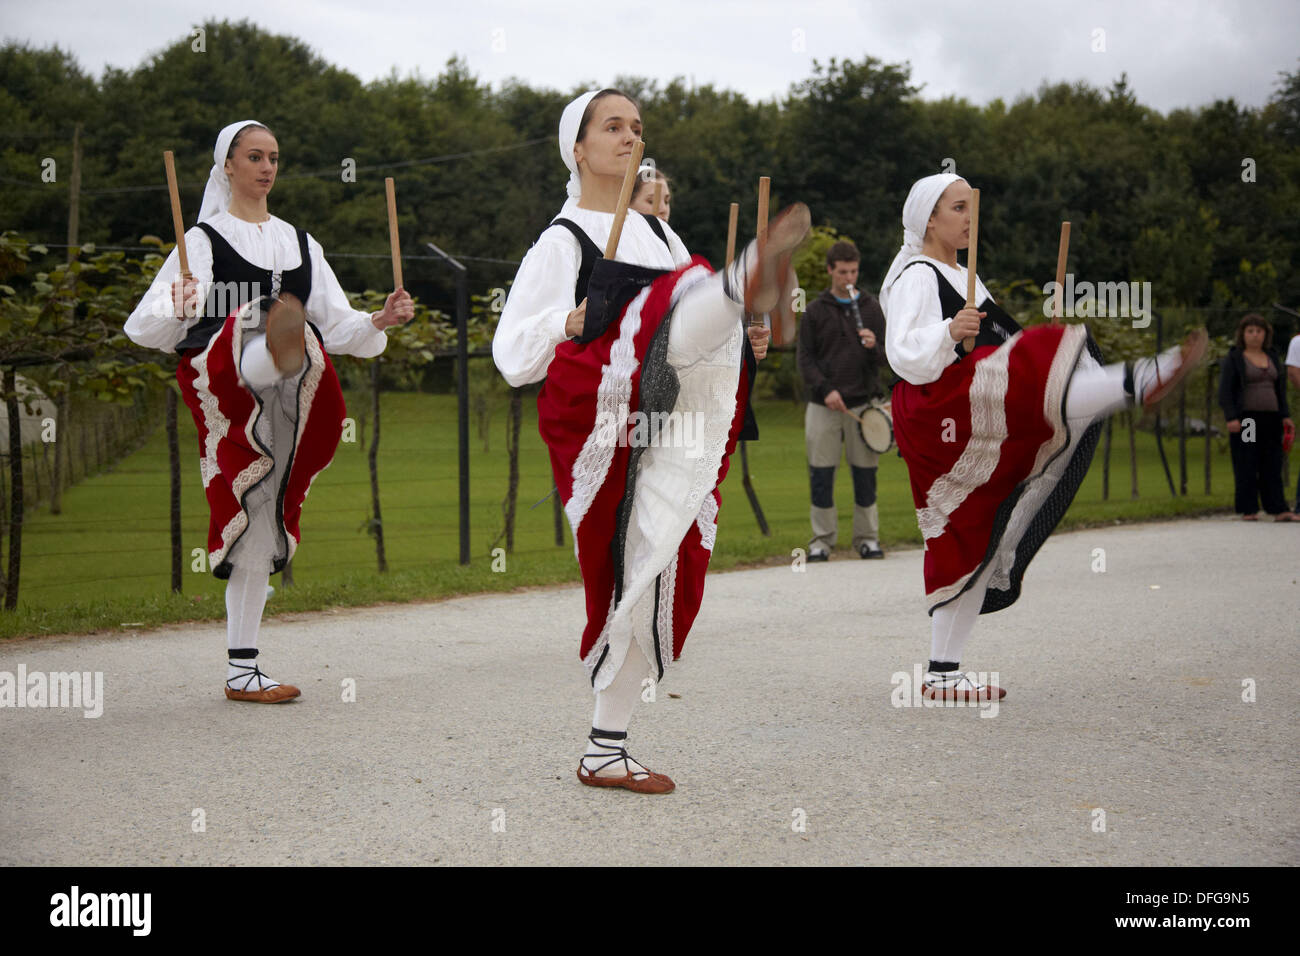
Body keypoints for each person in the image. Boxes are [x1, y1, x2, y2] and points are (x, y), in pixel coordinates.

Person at [493, 89, 808, 793]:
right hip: (600, 410)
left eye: (637, 127)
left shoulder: (661, 236)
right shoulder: (562, 240)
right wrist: (566, 321)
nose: (630, 137)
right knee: (681, 298)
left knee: (660, 560)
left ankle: (606, 748)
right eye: (613, 126)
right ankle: (734, 284)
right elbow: (511, 354)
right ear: (577, 149)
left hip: (670, 409)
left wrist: (740, 339)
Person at [880, 173, 1207, 702]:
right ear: (928, 219)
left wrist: (1033, 341)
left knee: (976, 534)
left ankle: (943, 674)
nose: (969, 218)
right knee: (1031, 381)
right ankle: (1139, 380)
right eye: (958, 208)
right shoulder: (918, 274)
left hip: (967, 397)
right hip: (938, 406)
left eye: (971, 207)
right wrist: (950, 331)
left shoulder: (966, 275)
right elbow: (901, 352)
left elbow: (999, 338)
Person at [125, 120, 413, 703]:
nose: (266, 167)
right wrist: (178, 305)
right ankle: (270, 339)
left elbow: (339, 327)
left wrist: (379, 320)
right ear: (227, 166)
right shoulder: (202, 241)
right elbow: (143, 327)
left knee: (260, 515)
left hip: (286, 393)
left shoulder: (302, 244)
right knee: (260, 321)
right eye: (254, 157)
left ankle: (243, 670)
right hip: (222, 379)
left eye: (274, 158)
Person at [796, 240, 889, 560]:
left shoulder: (871, 307)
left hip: (863, 404)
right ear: (830, 271)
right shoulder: (814, 310)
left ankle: (868, 538)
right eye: (843, 272)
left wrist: (874, 346)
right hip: (824, 404)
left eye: (853, 272)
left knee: (865, 475)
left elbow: (887, 358)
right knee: (821, 475)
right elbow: (805, 359)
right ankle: (821, 541)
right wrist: (826, 390)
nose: (849, 278)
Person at [1218, 314, 1294, 521]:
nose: (1254, 335)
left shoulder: (1272, 356)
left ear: (1265, 334)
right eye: (1250, 331)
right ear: (1242, 334)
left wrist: (1285, 415)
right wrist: (1231, 417)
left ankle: (1278, 508)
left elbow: (1280, 390)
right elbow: (1225, 391)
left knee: (1273, 462)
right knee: (1247, 460)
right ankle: (1249, 507)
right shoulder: (1235, 358)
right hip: (1248, 420)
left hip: (1271, 419)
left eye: (1259, 331)